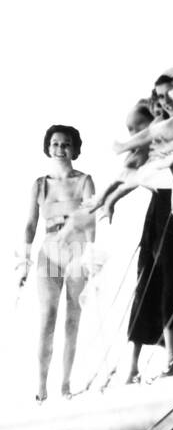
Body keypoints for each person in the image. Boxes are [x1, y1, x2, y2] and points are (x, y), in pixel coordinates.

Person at [19, 126, 96, 401]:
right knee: (47, 318)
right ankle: (41, 387)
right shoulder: (40, 184)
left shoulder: (85, 180)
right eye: (55, 144)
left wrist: (90, 254)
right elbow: (30, 224)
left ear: (75, 148)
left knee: (73, 318)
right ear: (48, 147)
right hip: (49, 250)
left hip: (76, 249)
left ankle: (64, 385)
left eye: (66, 144)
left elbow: (90, 220)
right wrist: (25, 258)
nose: (60, 149)